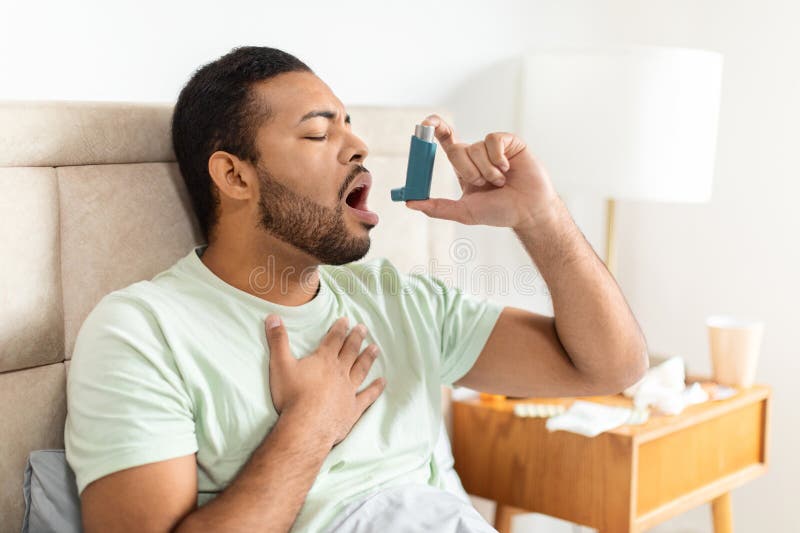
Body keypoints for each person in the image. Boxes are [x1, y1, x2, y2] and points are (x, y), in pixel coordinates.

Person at [64, 46, 648, 533]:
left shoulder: (391, 296)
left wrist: (540, 217)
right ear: (235, 176)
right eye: (319, 132)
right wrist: (311, 425)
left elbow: (609, 367)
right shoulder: (143, 331)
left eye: (349, 124)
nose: (358, 146)